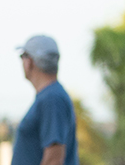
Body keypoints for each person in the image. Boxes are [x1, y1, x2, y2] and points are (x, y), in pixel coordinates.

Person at [12, 35, 79, 165]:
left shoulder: (52, 99)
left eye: (22, 56)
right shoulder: (50, 96)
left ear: (29, 61)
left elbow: (54, 160)